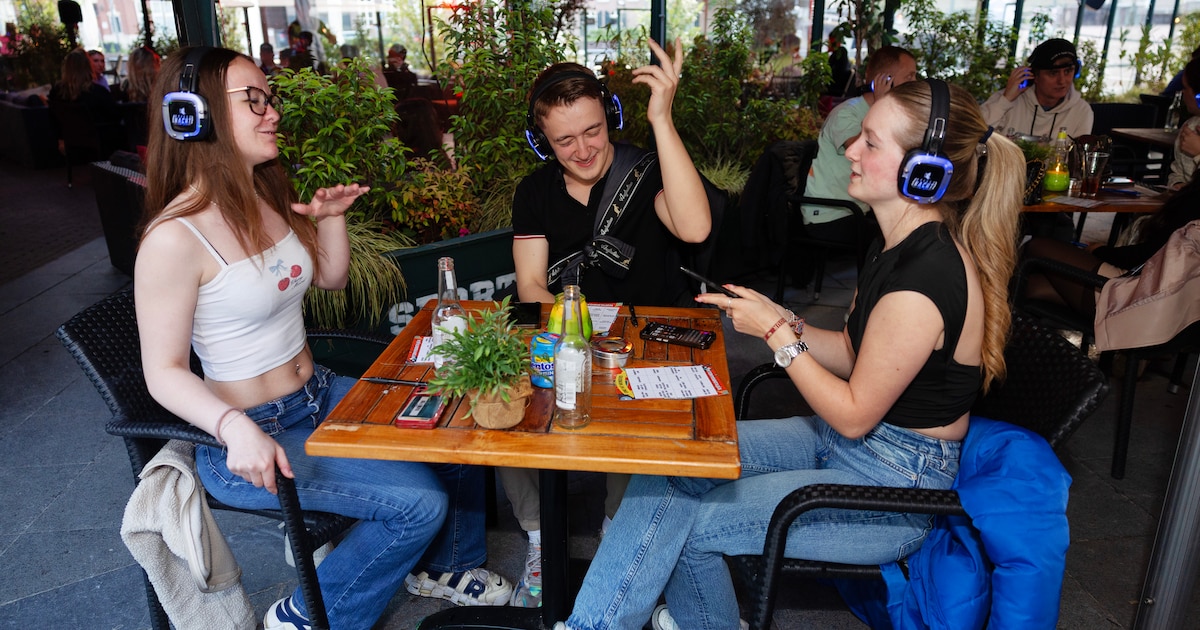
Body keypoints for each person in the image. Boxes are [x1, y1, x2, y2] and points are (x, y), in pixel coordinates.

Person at [553, 78, 1025, 630]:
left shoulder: (924, 279)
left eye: (870, 142)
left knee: (691, 528)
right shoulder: (893, 243)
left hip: (893, 482)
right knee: (675, 461)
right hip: (856, 448)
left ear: (925, 172)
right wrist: (782, 317)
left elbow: (853, 414)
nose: (849, 150)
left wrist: (777, 332)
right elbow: (852, 354)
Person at [135, 46, 512, 630]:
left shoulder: (260, 195)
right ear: (196, 115)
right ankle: (310, 613)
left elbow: (330, 278)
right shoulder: (173, 239)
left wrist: (329, 217)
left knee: (456, 412)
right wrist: (233, 429)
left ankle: (442, 567)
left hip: (320, 396)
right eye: (252, 100)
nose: (272, 112)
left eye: (269, 97)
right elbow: (162, 371)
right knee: (420, 504)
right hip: (253, 437)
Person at [508, 38, 712, 608]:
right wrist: (574, 339)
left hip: (643, 342)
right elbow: (529, 284)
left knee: (632, 441)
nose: (581, 149)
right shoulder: (535, 191)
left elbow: (695, 229)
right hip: (568, 335)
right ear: (541, 141)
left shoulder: (645, 172)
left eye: (592, 131)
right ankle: (537, 536)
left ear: (611, 117)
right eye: (563, 139)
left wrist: (662, 121)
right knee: (503, 414)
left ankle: (615, 534)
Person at [1022, 174, 1200, 319]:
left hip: (1140, 299)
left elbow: (1146, 256)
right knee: (1031, 285)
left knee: (1038, 246)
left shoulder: (1194, 201)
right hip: (1176, 307)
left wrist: (1099, 251)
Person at [800, 45, 916, 245]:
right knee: (897, 236)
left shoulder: (894, 116)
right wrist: (882, 104)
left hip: (860, 208)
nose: (915, 83)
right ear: (885, 79)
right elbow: (866, 153)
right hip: (832, 213)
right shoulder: (846, 114)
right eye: (910, 76)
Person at [981, 38, 1093, 139]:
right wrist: (1005, 100)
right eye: (1053, 73)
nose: (1062, 81)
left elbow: (1080, 157)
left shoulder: (1082, 111)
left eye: (1068, 71)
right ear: (1034, 75)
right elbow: (974, 134)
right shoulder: (1008, 101)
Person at [1167, 56, 1200, 190]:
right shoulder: (1190, 126)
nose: (1182, 93)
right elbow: (1176, 172)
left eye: (1185, 88)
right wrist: (1177, 184)